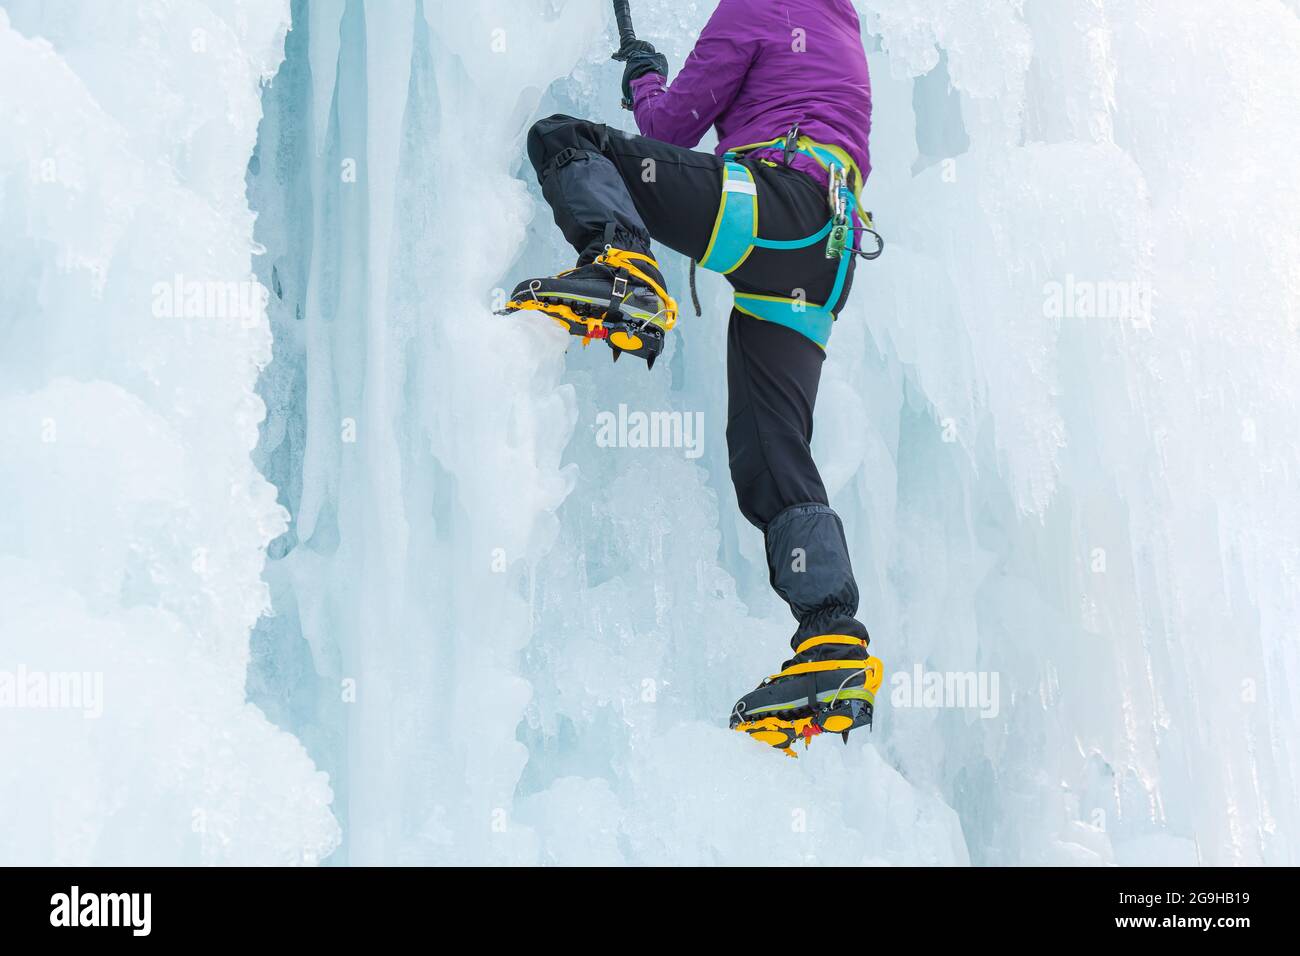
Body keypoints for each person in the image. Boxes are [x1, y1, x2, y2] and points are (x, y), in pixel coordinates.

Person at [505, 0, 883, 755]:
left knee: (567, 140)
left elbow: (668, 133)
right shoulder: (835, 20)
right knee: (771, 453)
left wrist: (647, 81)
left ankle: (622, 266)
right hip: (827, 254)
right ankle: (832, 639)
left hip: (780, 207)